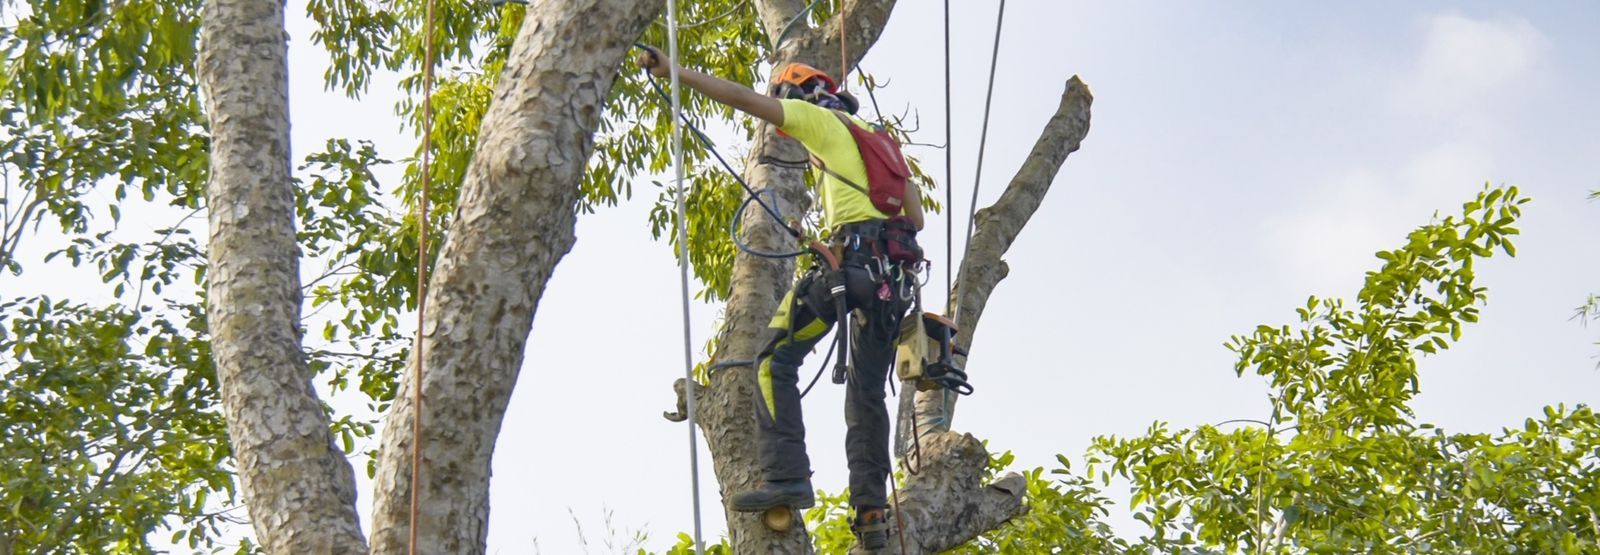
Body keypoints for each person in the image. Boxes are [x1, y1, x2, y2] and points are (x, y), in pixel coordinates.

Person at [636, 47, 925, 550]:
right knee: (867, 394)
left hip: (853, 271)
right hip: (891, 286)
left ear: (800, 96)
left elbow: (745, 99)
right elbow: (915, 218)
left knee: (774, 359)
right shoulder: (881, 145)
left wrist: (674, 71)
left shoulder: (820, 120)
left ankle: (787, 476)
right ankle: (871, 512)